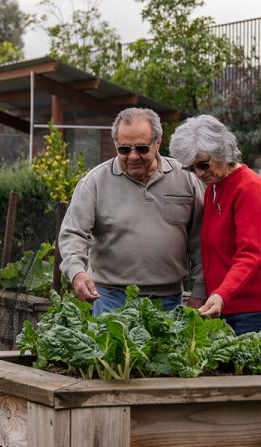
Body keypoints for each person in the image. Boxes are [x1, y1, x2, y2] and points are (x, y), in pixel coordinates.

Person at [58, 107, 206, 315]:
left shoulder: (185, 178)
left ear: (158, 142)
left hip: (170, 301)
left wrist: (200, 289)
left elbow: (200, 240)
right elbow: (73, 233)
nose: (133, 156)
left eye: (142, 148)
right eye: (124, 149)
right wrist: (77, 273)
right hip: (111, 300)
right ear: (116, 144)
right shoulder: (95, 181)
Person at [169, 115, 261, 334]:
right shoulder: (213, 188)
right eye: (191, 168)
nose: (198, 173)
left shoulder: (249, 187)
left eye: (203, 165)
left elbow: (249, 254)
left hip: (257, 309)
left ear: (222, 152)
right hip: (226, 305)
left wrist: (221, 294)